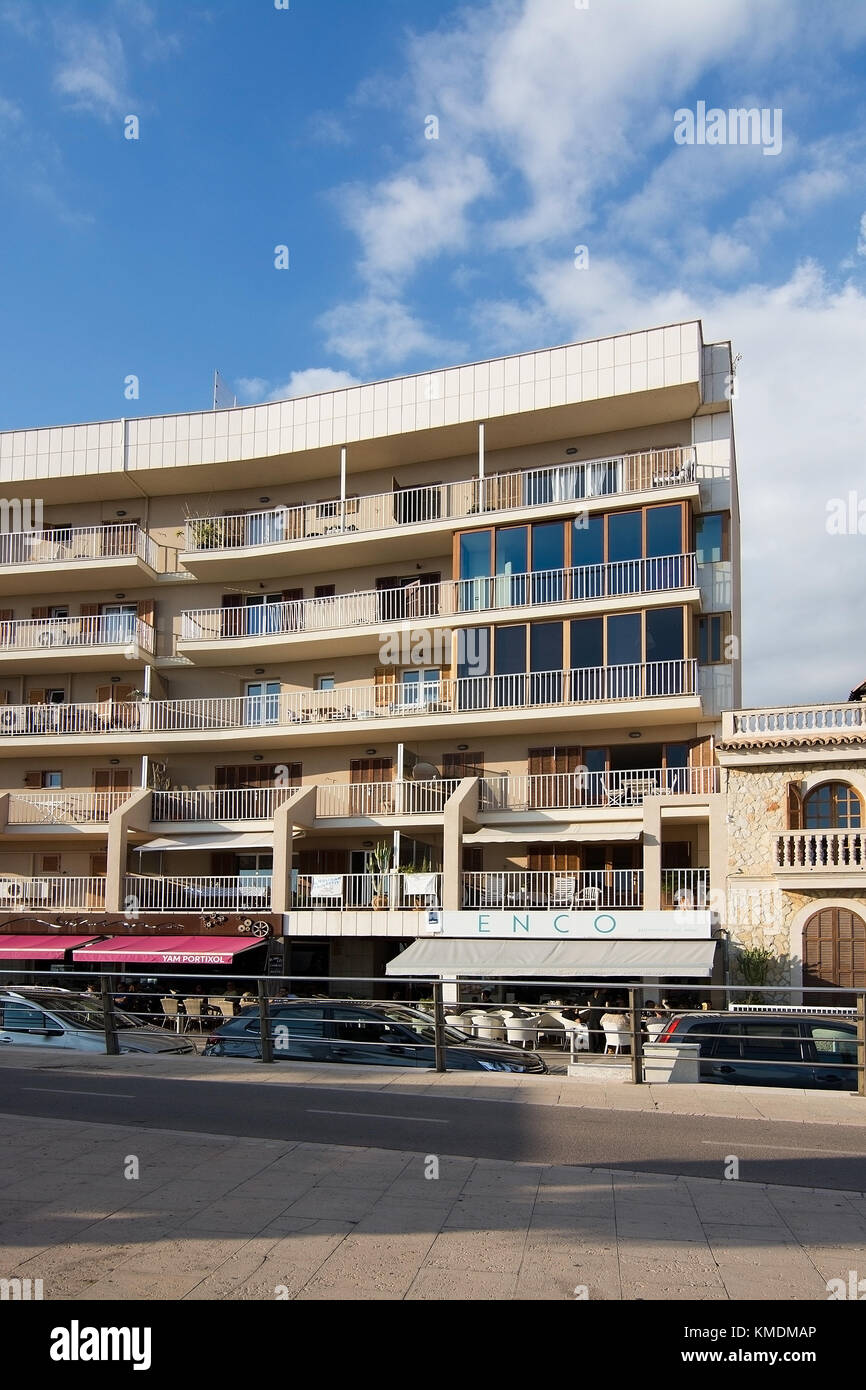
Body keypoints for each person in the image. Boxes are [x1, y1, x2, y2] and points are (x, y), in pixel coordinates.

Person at [578, 989, 606, 1054]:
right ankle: (600, 1049)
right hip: (600, 1015)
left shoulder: (590, 997)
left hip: (592, 1016)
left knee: (592, 1033)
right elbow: (607, 1007)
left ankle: (592, 1049)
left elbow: (589, 1006)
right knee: (600, 1032)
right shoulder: (604, 997)